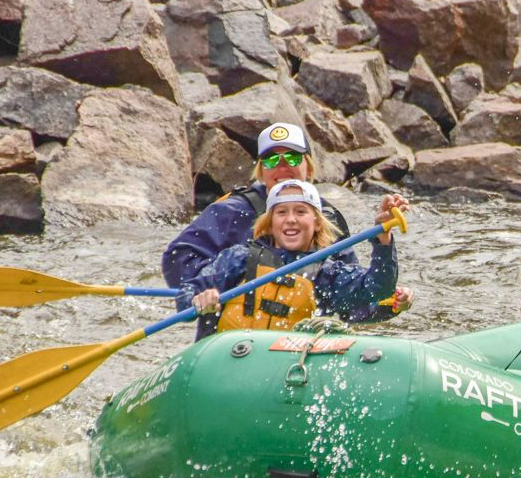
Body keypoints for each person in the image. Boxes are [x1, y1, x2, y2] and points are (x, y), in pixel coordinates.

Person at [162, 120, 411, 320]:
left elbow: (358, 296)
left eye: (292, 159)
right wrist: (209, 290)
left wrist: (387, 302)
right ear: (268, 223)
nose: (282, 167)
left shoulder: (328, 234)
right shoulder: (234, 236)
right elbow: (181, 266)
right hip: (231, 336)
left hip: (299, 344)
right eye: (271, 160)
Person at [178, 179, 402, 340]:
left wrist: (383, 240)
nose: (291, 220)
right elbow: (187, 294)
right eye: (282, 212)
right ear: (270, 223)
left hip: (290, 370)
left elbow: (377, 289)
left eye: (301, 212)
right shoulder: (239, 258)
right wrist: (199, 299)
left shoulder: (327, 273)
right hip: (227, 362)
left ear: (316, 223)